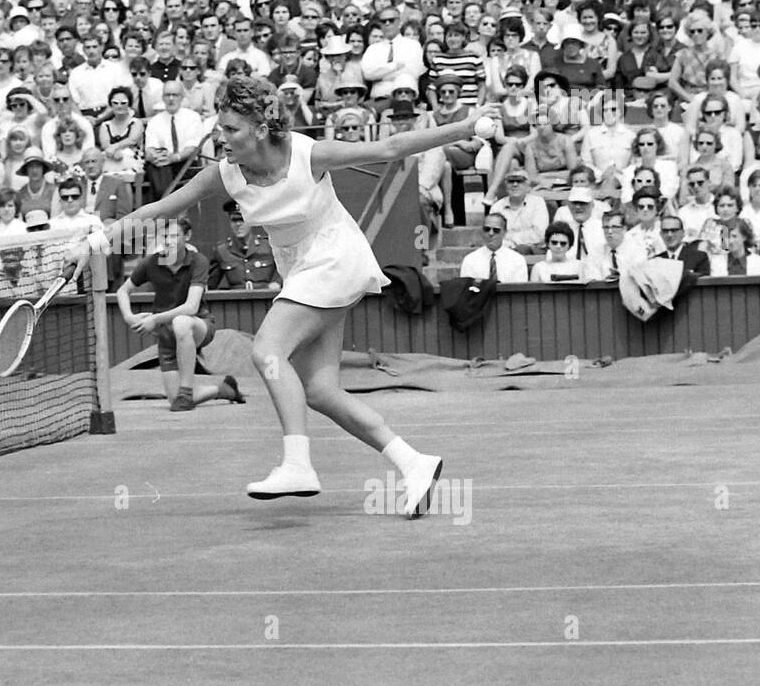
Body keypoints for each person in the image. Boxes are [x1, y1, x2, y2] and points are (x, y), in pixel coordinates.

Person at [108, 75, 490, 514]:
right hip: (302, 268)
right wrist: (96, 245)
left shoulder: (309, 155)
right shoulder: (224, 175)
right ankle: (413, 461)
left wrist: (463, 127)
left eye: (231, 129)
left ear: (261, 128)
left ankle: (297, 463)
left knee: (268, 350)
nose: (221, 136)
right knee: (320, 390)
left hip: (333, 256)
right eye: (220, 127)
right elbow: (157, 209)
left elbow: (390, 148)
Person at [115, 216, 244, 413]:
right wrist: (128, 316)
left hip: (198, 325)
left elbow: (191, 307)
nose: (169, 240)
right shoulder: (151, 263)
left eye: (174, 235)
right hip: (166, 337)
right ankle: (224, 389)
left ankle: (185, 389)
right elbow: (123, 291)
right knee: (175, 402)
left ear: (187, 236)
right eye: (165, 236)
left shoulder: (198, 261)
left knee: (181, 322)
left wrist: (154, 319)